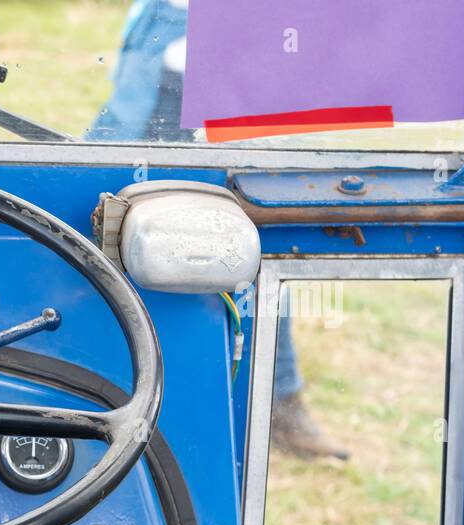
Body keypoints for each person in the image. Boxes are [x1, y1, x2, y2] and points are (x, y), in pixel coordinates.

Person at [87, 0, 348, 460]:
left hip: (233, 44)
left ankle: (276, 402)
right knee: (102, 223)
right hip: (167, 46)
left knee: (247, 238)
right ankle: (102, 388)